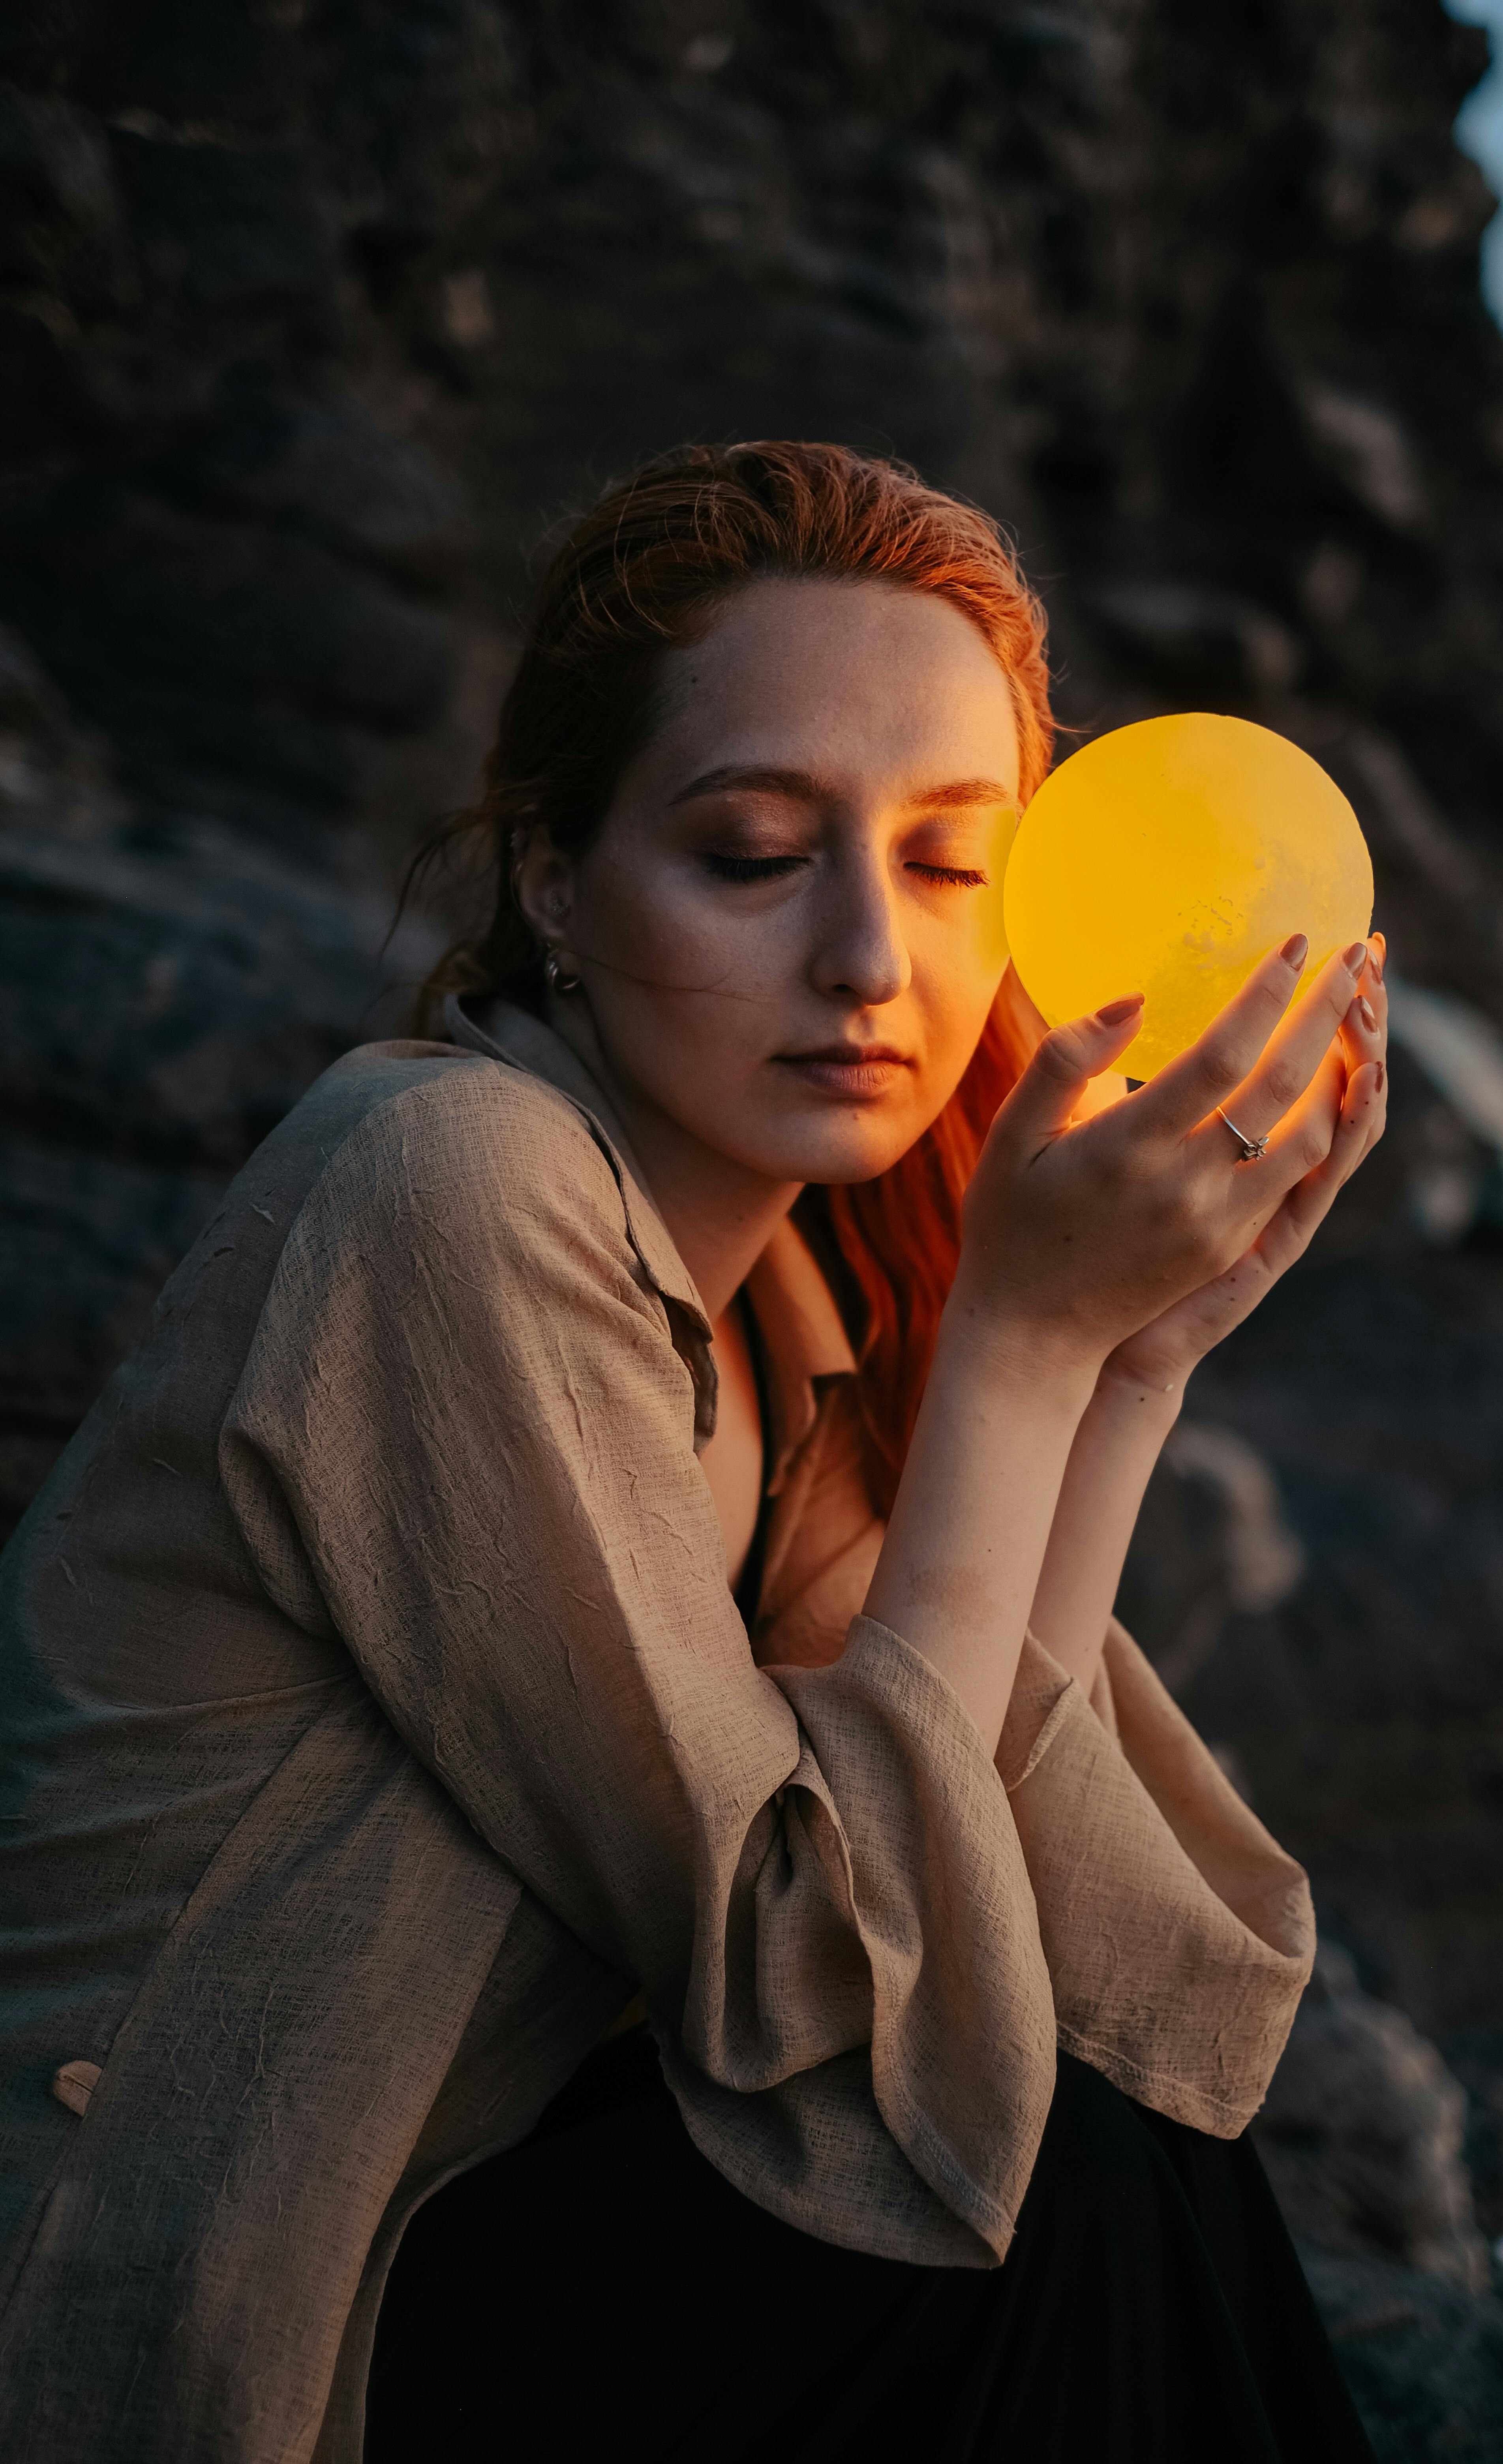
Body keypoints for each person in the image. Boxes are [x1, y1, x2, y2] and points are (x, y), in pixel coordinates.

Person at [0, 441, 1386, 2463]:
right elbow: (801, 1971)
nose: (863, 960)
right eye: (752, 854)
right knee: (1036, 2197)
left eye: (946, 867)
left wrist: (1124, 1367)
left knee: (1095, 2140)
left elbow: (1031, 1941)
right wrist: (1016, 1339)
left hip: (469, 2243)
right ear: (553, 877)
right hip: (208, 2312)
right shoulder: (449, 1185)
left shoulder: (785, 1328)